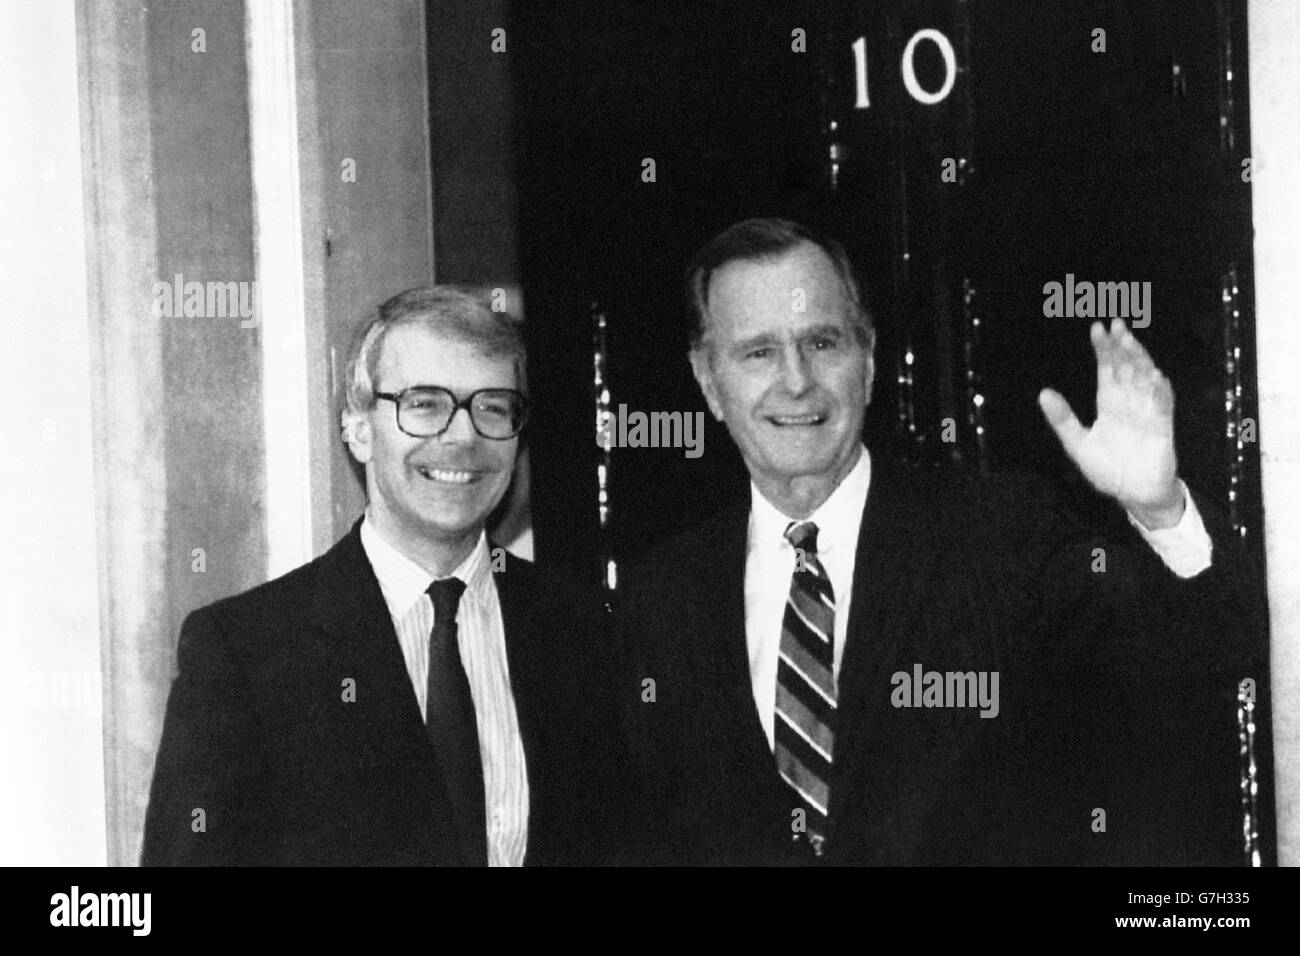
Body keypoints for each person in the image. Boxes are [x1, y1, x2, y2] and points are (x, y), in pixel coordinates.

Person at [616, 218, 1263, 865]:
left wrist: (1157, 507)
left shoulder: (998, 534)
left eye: (822, 342)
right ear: (708, 381)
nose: (795, 381)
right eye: (758, 352)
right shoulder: (663, 598)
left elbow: (1204, 650)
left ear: (868, 364)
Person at [142, 286, 627, 866]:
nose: (463, 436)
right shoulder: (246, 655)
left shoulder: (584, 631)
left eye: (493, 406)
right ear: (359, 428)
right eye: (424, 404)